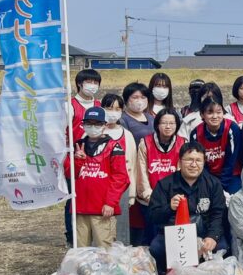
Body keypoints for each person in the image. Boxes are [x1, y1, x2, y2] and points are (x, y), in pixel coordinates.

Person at [147, 140, 228, 275]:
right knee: (156, 248)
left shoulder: (213, 184)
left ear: (203, 163)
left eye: (198, 160)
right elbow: (153, 216)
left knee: (222, 247)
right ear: (179, 162)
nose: (193, 164)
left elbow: (218, 214)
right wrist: (169, 208)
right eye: (189, 160)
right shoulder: (165, 184)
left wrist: (212, 237)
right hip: (174, 235)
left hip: (204, 233)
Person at [66, 106, 129, 248]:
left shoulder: (114, 147)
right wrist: (78, 160)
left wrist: (110, 203)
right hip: (80, 208)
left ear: (105, 125)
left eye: (97, 123)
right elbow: (69, 174)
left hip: (102, 210)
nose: (92, 127)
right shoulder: (77, 146)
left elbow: (121, 178)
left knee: (105, 251)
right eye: (88, 123)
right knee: (81, 252)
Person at [135, 108, 182, 245]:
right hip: (149, 200)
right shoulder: (146, 142)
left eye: (172, 123)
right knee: (151, 238)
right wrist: (151, 197)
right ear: (157, 124)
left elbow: (181, 173)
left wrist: (172, 199)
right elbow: (142, 171)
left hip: (172, 201)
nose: (168, 126)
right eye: (164, 123)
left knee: (171, 240)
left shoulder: (182, 143)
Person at [100, 93, 139, 245]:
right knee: (101, 226)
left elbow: (133, 167)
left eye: (117, 108)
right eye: (109, 108)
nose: (113, 112)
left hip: (122, 188)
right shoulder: (97, 133)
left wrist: (131, 194)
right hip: (101, 186)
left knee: (121, 229)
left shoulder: (127, 135)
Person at [192, 99, 241, 193]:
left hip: (231, 175)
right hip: (207, 176)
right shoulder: (196, 134)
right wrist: (211, 184)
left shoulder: (232, 129)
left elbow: (231, 161)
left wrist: (221, 186)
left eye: (219, 112)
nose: (215, 116)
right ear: (202, 115)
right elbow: (200, 163)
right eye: (210, 113)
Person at [69, 68, 101, 143]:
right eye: (89, 82)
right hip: (75, 151)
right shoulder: (69, 106)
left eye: (95, 83)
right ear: (79, 84)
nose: (92, 85)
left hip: (96, 151)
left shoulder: (100, 106)